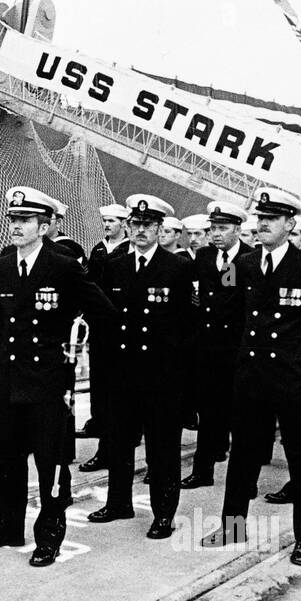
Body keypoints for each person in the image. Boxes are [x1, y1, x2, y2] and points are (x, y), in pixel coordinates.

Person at [0, 186, 113, 567]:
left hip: (49, 380)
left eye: (25, 221)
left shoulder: (63, 265)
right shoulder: (2, 265)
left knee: (49, 462)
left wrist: (67, 337)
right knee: (11, 458)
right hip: (12, 376)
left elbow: (102, 308)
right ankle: (8, 526)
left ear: (45, 225)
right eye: (13, 220)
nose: (16, 227)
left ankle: (48, 536)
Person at [203, 188, 301, 567]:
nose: (262, 224)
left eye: (272, 219)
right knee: (243, 456)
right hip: (251, 376)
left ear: (290, 225)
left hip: (292, 378)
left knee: (300, 458)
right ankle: (232, 526)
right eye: (260, 218)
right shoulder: (244, 264)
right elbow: (223, 311)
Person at [93, 194, 193, 537]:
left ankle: (164, 513)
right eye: (135, 224)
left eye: (147, 225)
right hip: (122, 371)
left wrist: (180, 380)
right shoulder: (115, 265)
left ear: (159, 228)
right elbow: (104, 318)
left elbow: (187, 327)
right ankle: (118, 501)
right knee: (119, 441)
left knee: (162, 449)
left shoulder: (177, 268)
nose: (140, 231)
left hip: (161, 376)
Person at [181, 200, 251, 490]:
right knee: (209, 412)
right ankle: (203, 470)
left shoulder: (251, 258)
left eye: (223, 228)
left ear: (237, 229)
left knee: (243, 417)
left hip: (237, 350)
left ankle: (246, 479)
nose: (216, 234)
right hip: (208, 348)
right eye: (213, 229)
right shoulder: (205, 256)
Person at [78, 204, 131, 467]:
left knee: (117, 389)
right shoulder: (99, 249)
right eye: (105, 221)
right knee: (98, 379)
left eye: (111, 221)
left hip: (121, 325)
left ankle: (116, 442)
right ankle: (97, 422)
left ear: (124, 223)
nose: (107, 225)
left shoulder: (128, 251)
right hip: (98, 323)